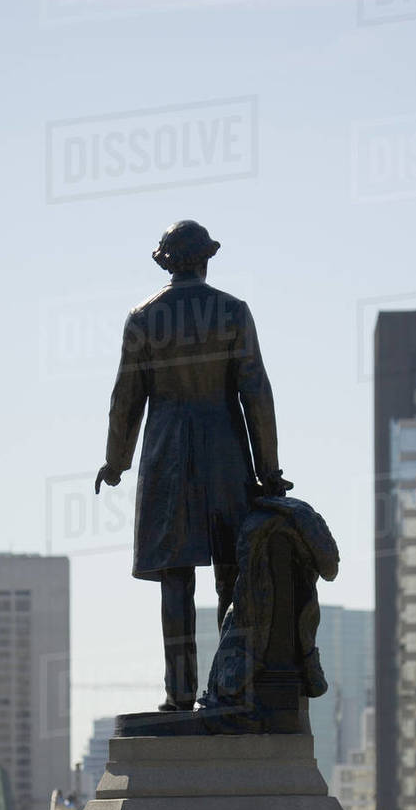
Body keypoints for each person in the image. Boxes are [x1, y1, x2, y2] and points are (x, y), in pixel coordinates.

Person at [95, 220, 290, 711]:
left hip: (166, 457)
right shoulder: (232, 312)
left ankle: (178, 694)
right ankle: (230, 686)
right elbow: (257, 394)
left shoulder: (143, 318)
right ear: (205, 259)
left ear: (164, 261)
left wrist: (115, 462)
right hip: (225, 451)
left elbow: (126, 399)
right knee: (233, 570)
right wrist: (269, 469)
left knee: (176, 577)